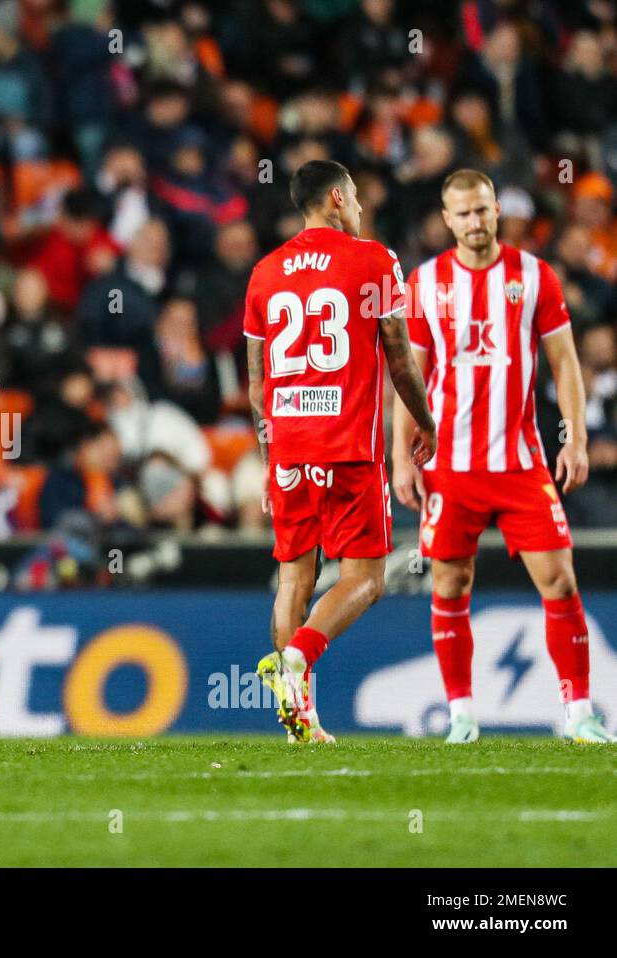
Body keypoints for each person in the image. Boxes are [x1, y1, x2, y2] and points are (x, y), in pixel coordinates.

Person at [392, 169, 613, 744]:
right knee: (449, 585)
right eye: (463, 214)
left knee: (560, 581)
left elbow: (564, 362)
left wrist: (576, 437)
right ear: (446, 220)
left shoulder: (534, 275)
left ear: (498, 211)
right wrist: (400, 456)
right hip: (450, 468)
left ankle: (580, 713)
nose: (475, 222)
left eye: (483, 210)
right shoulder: (424, 283)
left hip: (519, 463)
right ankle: (462, 715)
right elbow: (408, 377)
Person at [243, 159, 436, 743]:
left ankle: (299, 717)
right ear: (335, 198)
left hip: (289, 446)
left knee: (294, 577)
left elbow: (255, 383)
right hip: (348, 447)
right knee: (367, 578)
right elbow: (399, 356)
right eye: (354, 200)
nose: (359, 210)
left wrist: (272, 447)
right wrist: (424, 421)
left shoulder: (264, 272)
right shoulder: (374, 259)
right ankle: (296, 660)